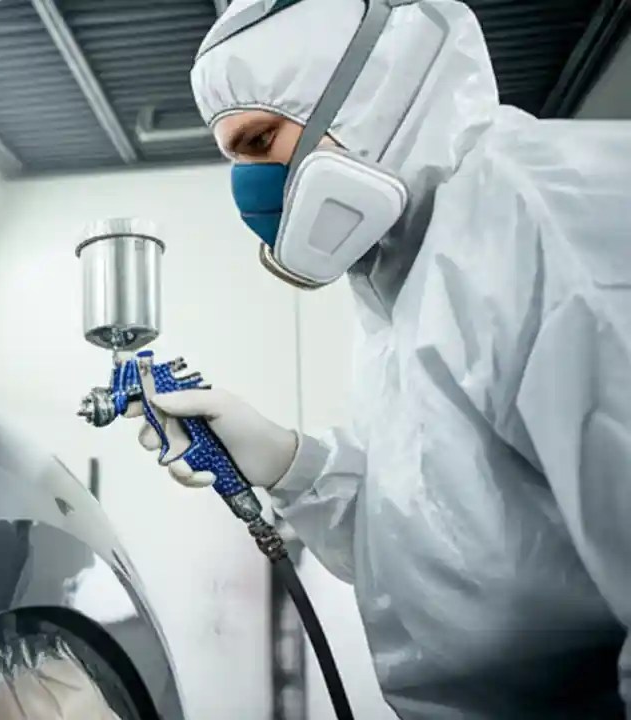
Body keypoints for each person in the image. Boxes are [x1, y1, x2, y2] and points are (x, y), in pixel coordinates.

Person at [137, 0, 631, 717]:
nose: (247, 186)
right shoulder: (399, 285)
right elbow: (433, 540)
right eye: (233, 157)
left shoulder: (547, 213)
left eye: (259, 139)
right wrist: (287, 461)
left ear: (370, 92)